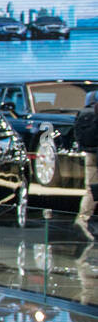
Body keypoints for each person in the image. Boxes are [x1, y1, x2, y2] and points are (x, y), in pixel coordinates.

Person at [76, 89, 98, 240]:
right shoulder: (96, 112)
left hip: (90, 154)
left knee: (91, 189)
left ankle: (82, 220)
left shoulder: (82, 113)